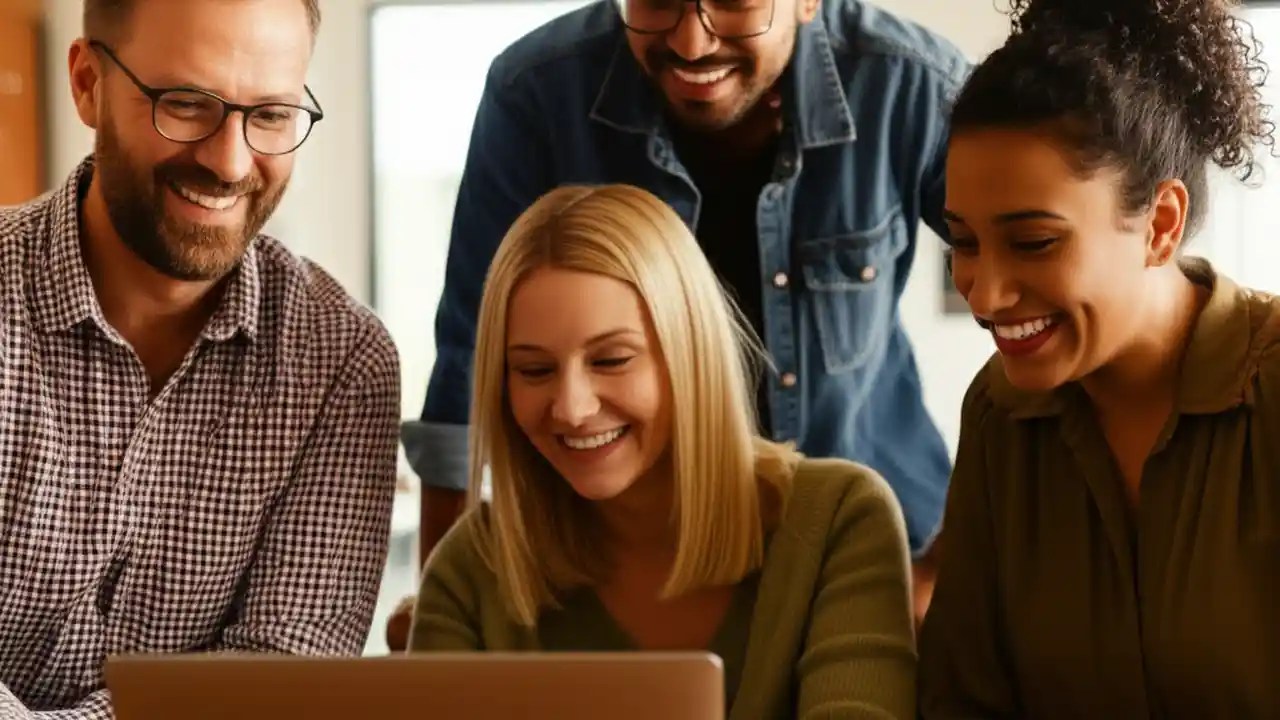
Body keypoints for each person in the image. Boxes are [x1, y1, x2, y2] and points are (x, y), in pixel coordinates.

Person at [401, 0, 970, 633]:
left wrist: (945, 567)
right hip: (629, 566)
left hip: (881, 547)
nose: (693, 43)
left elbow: (1042, 312)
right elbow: (468, 355)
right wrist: (441, 606)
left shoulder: (912, 83)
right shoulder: (535, 91)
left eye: (733, 4)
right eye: (657, 3)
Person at [0, 0, 401, 715]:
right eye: (185, 104)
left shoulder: (343, 363)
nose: (230, 161)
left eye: (272, 115)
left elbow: (281, 680)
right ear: (89, 84)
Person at [408, 184, 916, 718]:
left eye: (611, 360)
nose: (572, 408)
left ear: (688, 354)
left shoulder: (840, 521)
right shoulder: (473, 569)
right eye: (535, 370)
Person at [918, 0, 1278, 717]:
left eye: (1034, 242)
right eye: (963, 241)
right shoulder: (1000, 411)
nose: (985, 292)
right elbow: (962, 698)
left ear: (1161, 225)